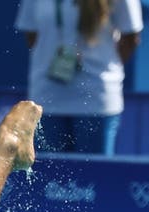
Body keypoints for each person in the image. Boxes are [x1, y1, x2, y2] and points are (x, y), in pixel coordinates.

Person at [15, 0, 143, 155]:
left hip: (96, 101)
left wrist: (101, 71)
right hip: (47, 96)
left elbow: (131, 37)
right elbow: (32, 34)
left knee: (94, 174)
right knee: (49, 174)